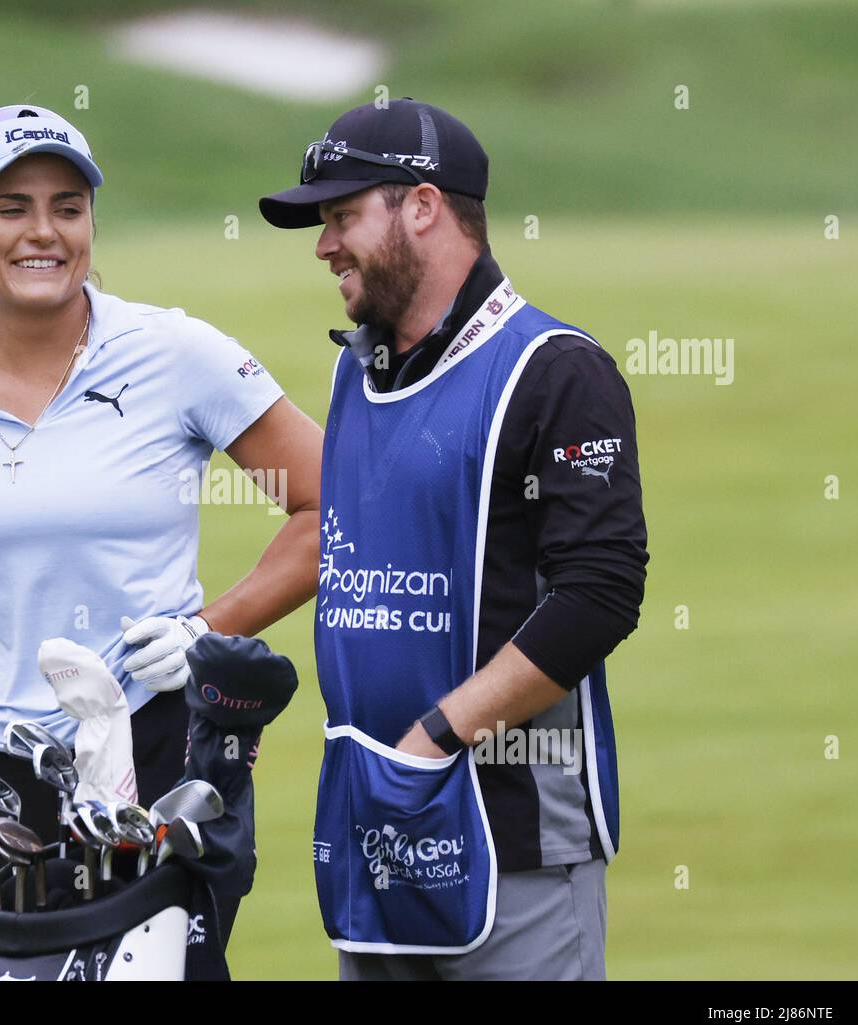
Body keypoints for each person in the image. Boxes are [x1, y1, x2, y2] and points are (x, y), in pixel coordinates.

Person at [0, 104, 322, 944]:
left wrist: (206, 630)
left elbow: (331, 509)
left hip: (155, 743)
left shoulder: (177, 353)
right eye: (10, 207)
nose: (43, 231)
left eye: (67, 206)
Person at [258, 98, 648, 980]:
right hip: (377, 836)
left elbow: (599, 593)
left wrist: (438, 735)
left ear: (423, 207)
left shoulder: (556, 370)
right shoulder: (355, 371)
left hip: (515, 841)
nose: (325, 246)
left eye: (342, 216)